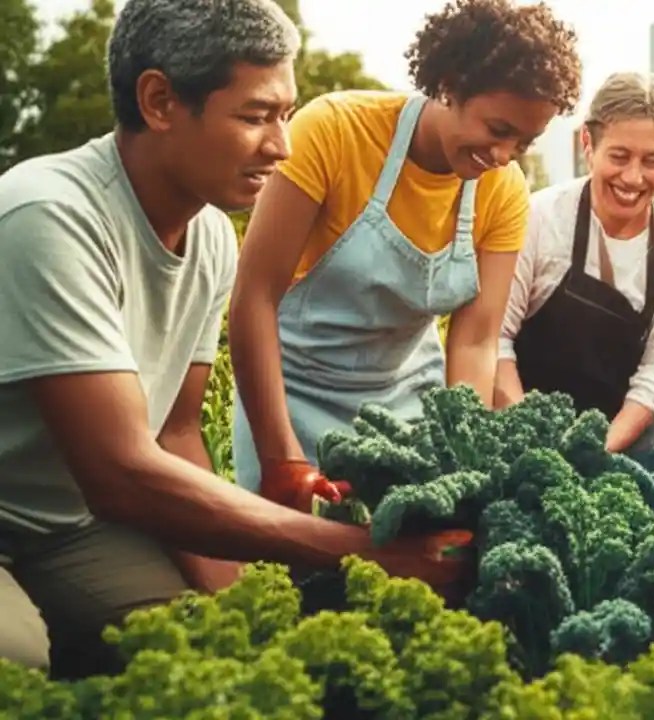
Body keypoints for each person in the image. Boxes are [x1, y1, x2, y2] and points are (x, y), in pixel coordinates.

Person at [0, 0, 462, 678]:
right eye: (255, 116)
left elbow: (176, 435)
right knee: (22, 664)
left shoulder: (212, 235)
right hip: (50, 512)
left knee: (204, 653)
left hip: (68, 531)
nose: (282, 145)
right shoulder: (50, 216)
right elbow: (121, 474)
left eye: (285, 113)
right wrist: (359, 549)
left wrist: (245, 613)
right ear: (159, 101)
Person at [228, 0, 582, 495]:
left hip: (408, 405)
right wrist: (281, 456)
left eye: (523, 143)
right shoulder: (334, 131)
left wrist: (462, 457)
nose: (502, 156)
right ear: (451, 84)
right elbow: (254, 297)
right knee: (292, 563)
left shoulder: (503, 190)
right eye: (498, 130)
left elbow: (476, 339)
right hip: (291, 396)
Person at [494, 72, 654, 455]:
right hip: (521, 436)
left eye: (651, 161)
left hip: (629, 451)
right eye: (620, 156)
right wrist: (535, 448)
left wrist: (595, 455)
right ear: (588, 145)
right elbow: (497, 339)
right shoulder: (539, 219)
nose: (633, 177)